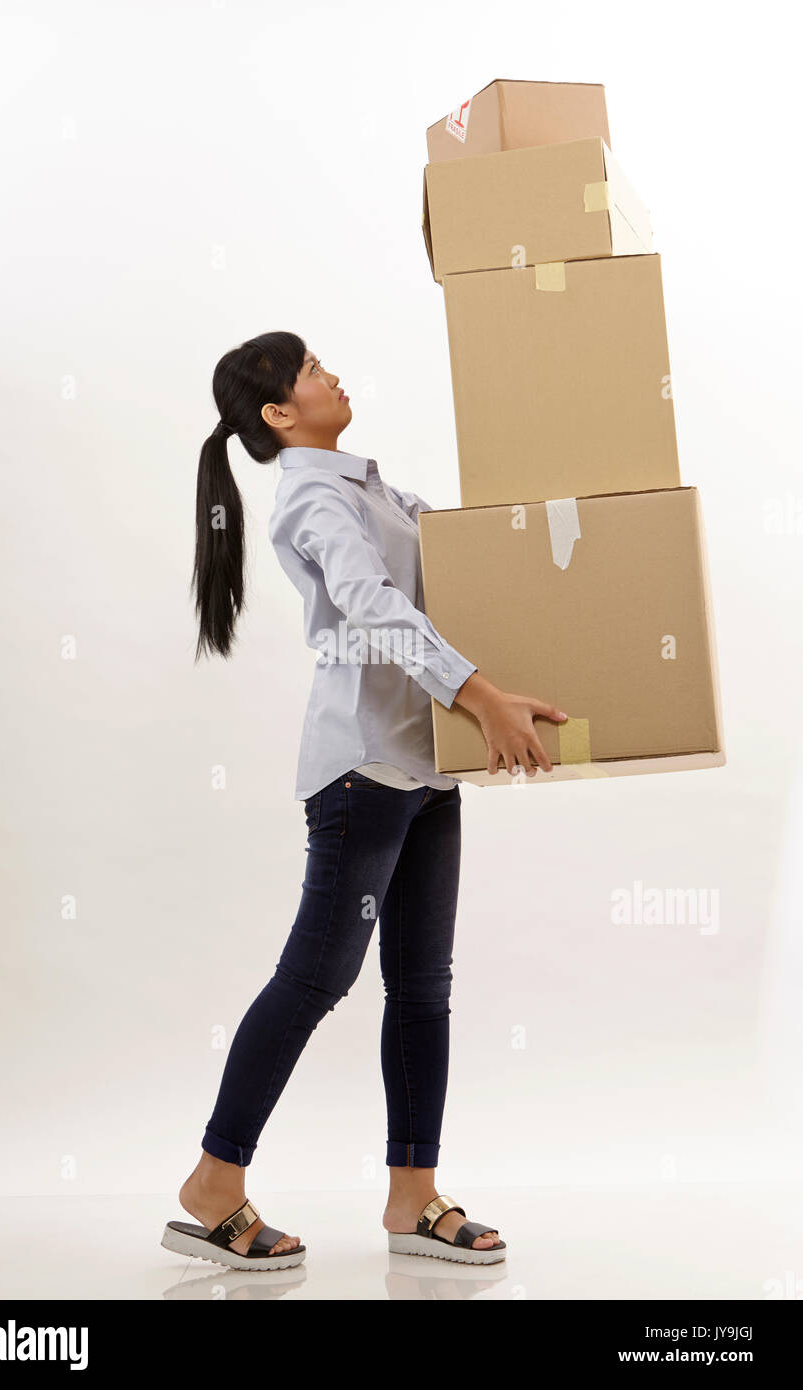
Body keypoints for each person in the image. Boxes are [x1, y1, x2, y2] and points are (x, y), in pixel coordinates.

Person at [161, 332, 567, 1271]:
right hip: (362, 774)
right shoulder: (310, 497)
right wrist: (482, 697)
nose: (330, 374)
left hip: (424, 766)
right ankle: (213, 1181)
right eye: (309, 371)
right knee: (316, 979)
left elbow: (457, 564)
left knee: (424, 987)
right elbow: (374, 607)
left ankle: (413, 1196)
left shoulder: (371, 487)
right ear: (277, 414)